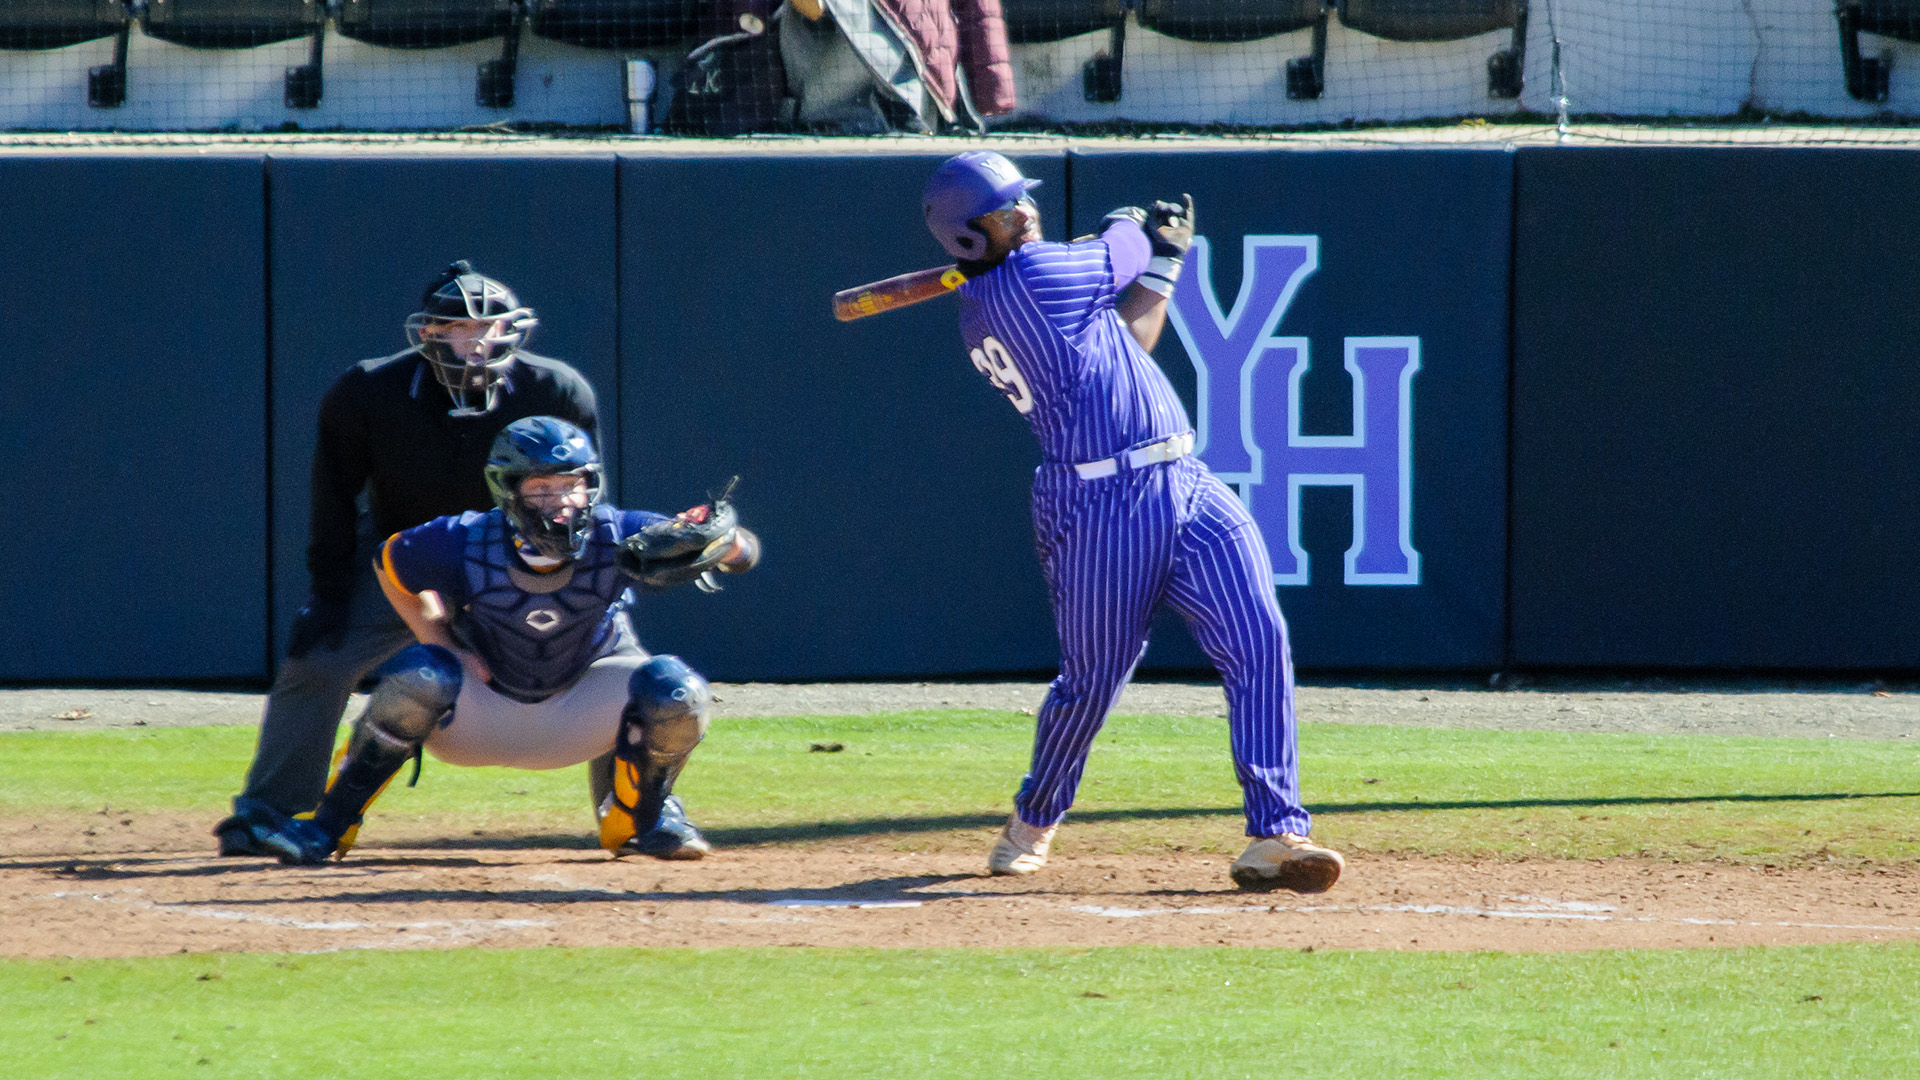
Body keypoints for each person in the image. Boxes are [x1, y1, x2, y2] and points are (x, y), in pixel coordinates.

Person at [918, 151, 1344, 893]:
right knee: (1092, 681)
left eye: (1024, 199)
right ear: (966, 238)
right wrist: (1132, 223)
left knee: (1259, 636)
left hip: (1185, 479)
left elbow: (1130, 338)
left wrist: (1168, 262)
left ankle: (1276, 832)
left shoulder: (1027, 286)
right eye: (1005, 210)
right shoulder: (1033, 281)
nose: (1026, 213)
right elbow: (1123, 245)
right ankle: (1036, 815)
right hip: (1097, 504)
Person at [244, 416, 761, 865]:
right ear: (509, 489)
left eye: (572, 485)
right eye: (541, 487)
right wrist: (440, 637)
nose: (559, 502)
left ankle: (643, 818)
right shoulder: (462, 538)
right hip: (481, 711)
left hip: (582, 707)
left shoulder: (620, 532)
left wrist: (724, 539)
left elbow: (744, 554)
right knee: (421, 671)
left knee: (678, 690)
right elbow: (388, 563)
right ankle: (328, 825)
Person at [215, 261, 599, 856]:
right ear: (427, 333)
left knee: (607, 657)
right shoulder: (368, 390)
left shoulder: (557, 390)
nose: (476, 341)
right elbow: (335, 495)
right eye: (457, 328)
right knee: (317, 658)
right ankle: (271, 809)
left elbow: (581, 496)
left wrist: (587, 577)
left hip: (521, 551)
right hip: (404, 555)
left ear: (514, 330)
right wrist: (329, 592)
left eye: (489, 328)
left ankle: (642, 807)